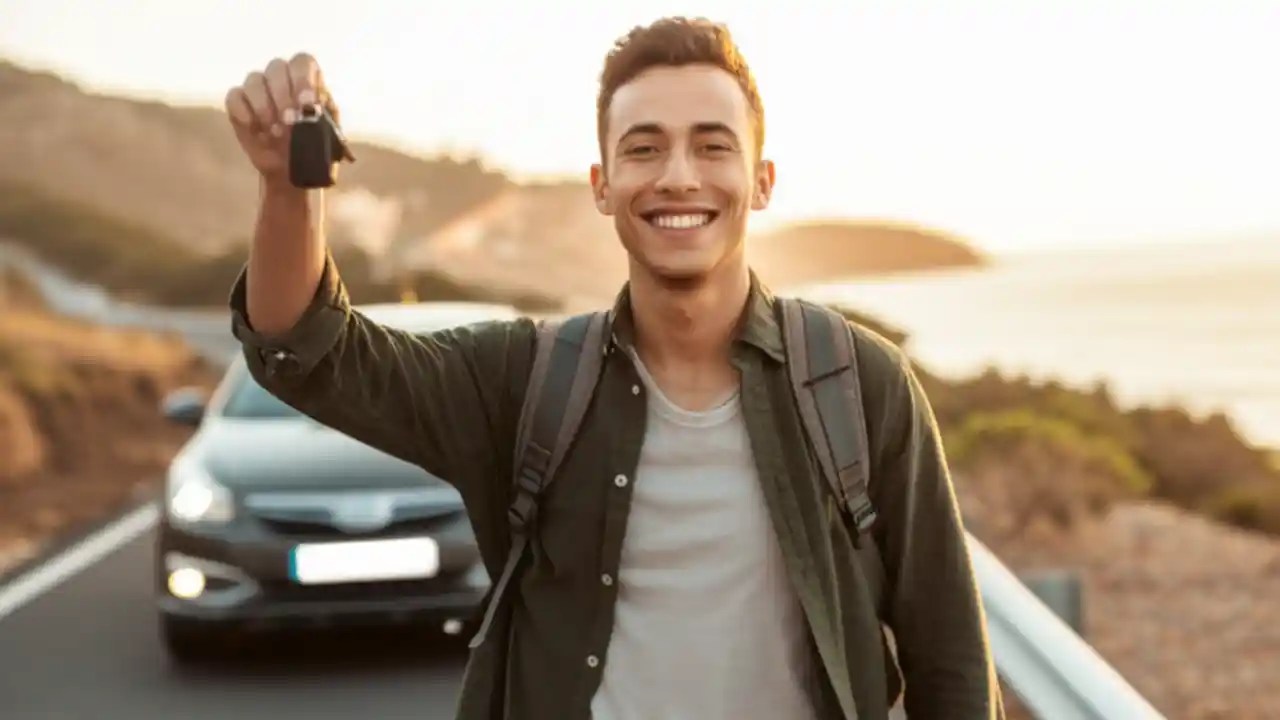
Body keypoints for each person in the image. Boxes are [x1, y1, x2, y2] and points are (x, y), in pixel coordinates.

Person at [223, 15, 1003, 720]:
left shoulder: (859, 384)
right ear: (603, 187)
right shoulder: (525, 381)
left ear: (762, 181)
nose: (678, 177)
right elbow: (311, 353)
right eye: (643, 148)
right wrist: (287, 188)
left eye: (712, 144)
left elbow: (953, 665)